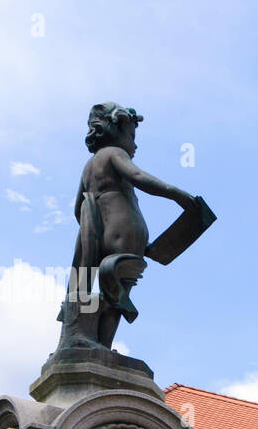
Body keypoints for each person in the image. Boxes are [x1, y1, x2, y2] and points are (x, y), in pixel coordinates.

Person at [58, 102, 199, 351]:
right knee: (120, 286)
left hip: (97, 232)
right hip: (125, 232)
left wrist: (95, 230)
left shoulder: (89, 166)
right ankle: (103, 343)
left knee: (94, 283)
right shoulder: (115, 153)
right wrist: (177, 194)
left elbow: (77, 207)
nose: (135, 145)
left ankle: (86, 339)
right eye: (132, 136)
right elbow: (139, 177)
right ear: (118, 129)